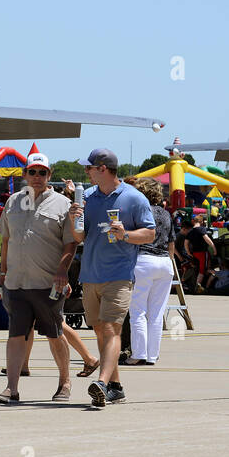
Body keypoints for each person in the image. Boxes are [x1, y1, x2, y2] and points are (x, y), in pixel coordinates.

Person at [70, 148, 155, 409]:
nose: (86, 172)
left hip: (119, 275)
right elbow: (79, 239)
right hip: (90, 275)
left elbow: (150, 234)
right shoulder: (89, 198)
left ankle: (103, 383)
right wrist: (74, 220)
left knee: (111, 329)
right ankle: (116, 388)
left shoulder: (134, 198)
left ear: (102, 169)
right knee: (99, 330)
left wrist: (126, 235)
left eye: (89, 168)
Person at [0, 153, 77, 405]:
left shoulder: (63, 204)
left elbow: (70, 244)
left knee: (54, 333)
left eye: (42, 172)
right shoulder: (14, 202)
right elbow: (6, 240)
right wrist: (2, 273)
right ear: (24, 175)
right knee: (16, 334)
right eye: (33, 172)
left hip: (48, 282)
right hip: (16, 281)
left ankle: (65, 382)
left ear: (49, 176)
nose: (37, 177)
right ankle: (11, 388)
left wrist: (63, 272)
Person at [125, 177, 176, 365]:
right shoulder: (166, 214)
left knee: (137, 310)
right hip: (164, 263)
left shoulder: (139, 210)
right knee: (156, 313)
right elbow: (171, 242)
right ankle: (152, 355)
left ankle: (138, 354)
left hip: (143, 260)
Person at [177, 217, 217, 292]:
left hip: (194, 253)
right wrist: (213, 247)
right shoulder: (201, 229)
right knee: (202, 270)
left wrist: (188, 252)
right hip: (202, 253)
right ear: (201, 222)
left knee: (197, 268)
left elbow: (186, 243)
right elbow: (207, 239)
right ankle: (198, 286)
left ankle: (192, 284)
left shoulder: (191, 231)